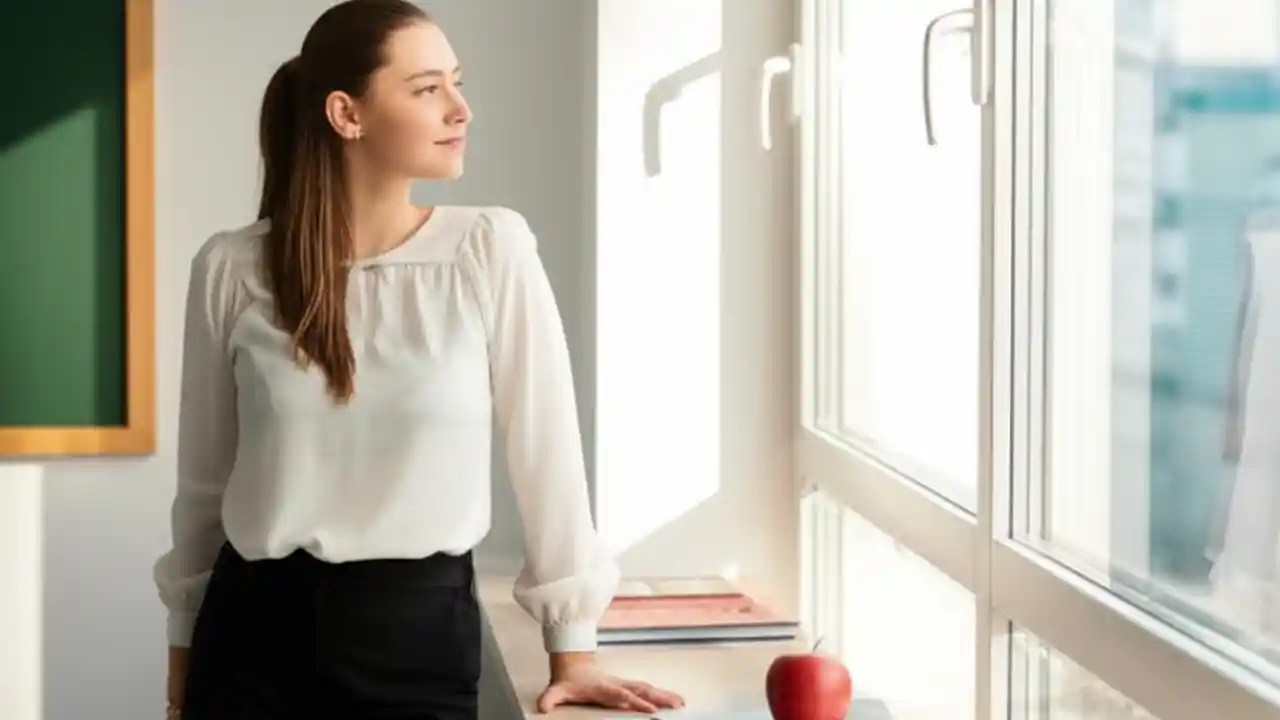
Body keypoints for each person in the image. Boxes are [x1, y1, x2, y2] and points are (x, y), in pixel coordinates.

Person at [152, 1, 685, 717]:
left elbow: (547, 450)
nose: (460, 109)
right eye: (427, 88)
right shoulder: (231, 267)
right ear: (348, 114)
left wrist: (574, 648)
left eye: (455, 84)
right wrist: (182, 672)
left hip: (417, 640)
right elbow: (204, 491)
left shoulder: (488, 249)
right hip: (249, 640)